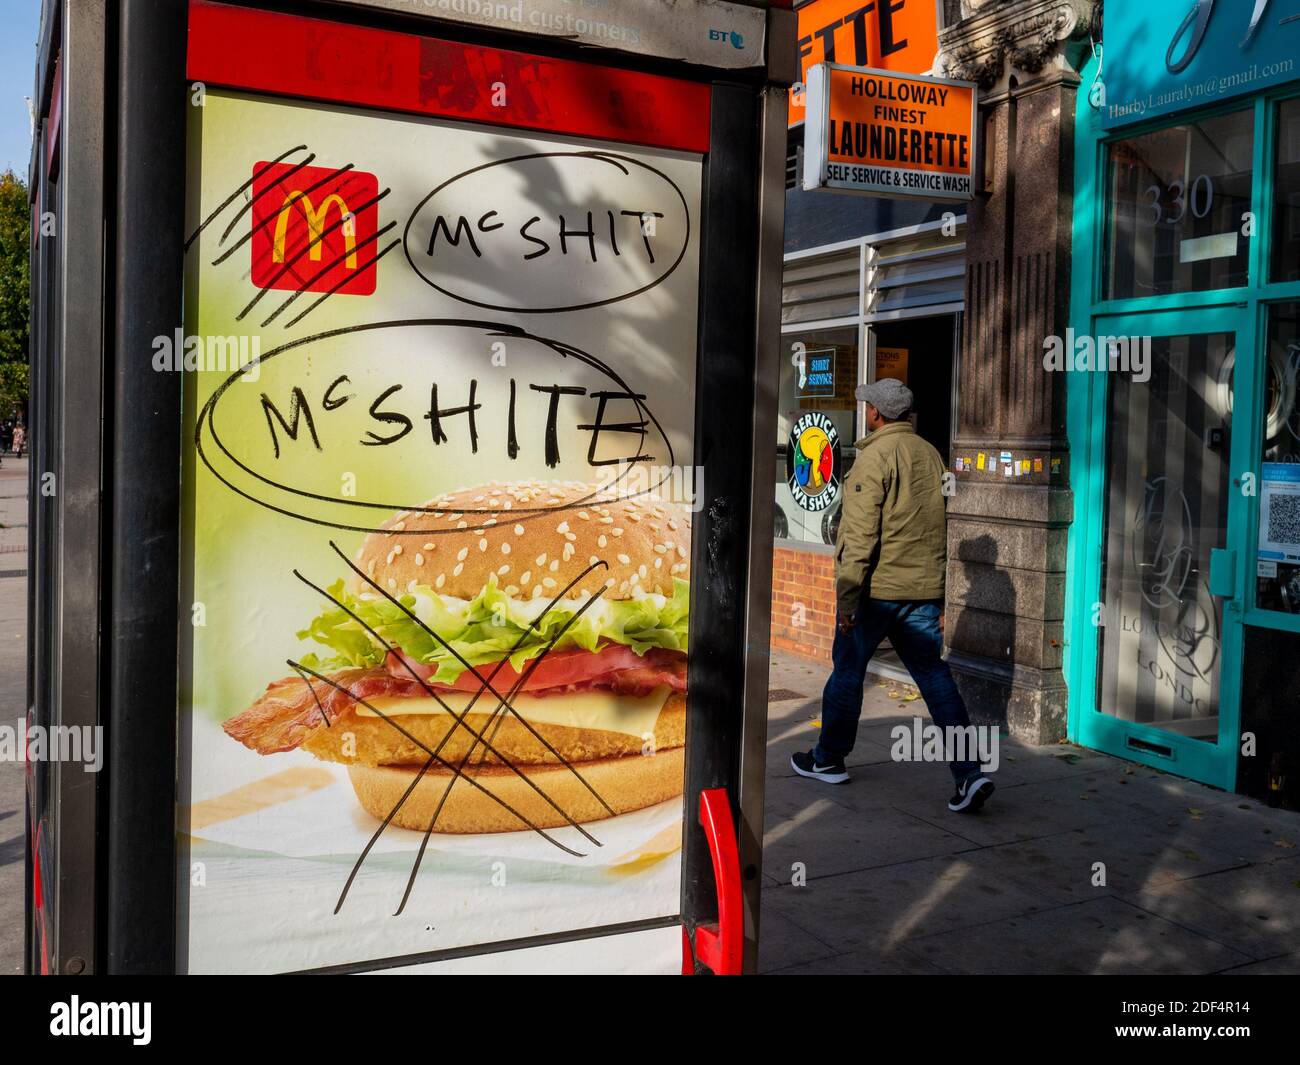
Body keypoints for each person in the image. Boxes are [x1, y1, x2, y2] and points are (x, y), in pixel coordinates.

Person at [791, 378, 995, 813]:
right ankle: (970, 774)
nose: (864, 411)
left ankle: (828, 760)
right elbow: (940, 529)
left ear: (877, 415)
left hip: (876, 594)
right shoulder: (930, 454)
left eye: (867, 406)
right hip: (920, 592)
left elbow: (860, 536)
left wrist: (848, 600)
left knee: (847, 672)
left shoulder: (875, 458)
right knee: (936, 679)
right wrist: (939, 598)